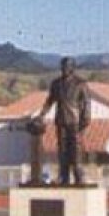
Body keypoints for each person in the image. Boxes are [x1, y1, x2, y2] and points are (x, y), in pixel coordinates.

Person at [36, 57, 91, 185]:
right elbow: (50, 101)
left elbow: (87, 103)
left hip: (75, 122)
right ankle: (63, 176)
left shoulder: (80, 84)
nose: (64, 69)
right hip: (61, 121)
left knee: (76, 150)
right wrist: (41, 115)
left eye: (67, 66)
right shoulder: (56, 84)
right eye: (63, 66)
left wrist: (86, 118)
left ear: (72, 67)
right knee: (62, 150)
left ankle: (79, 176)